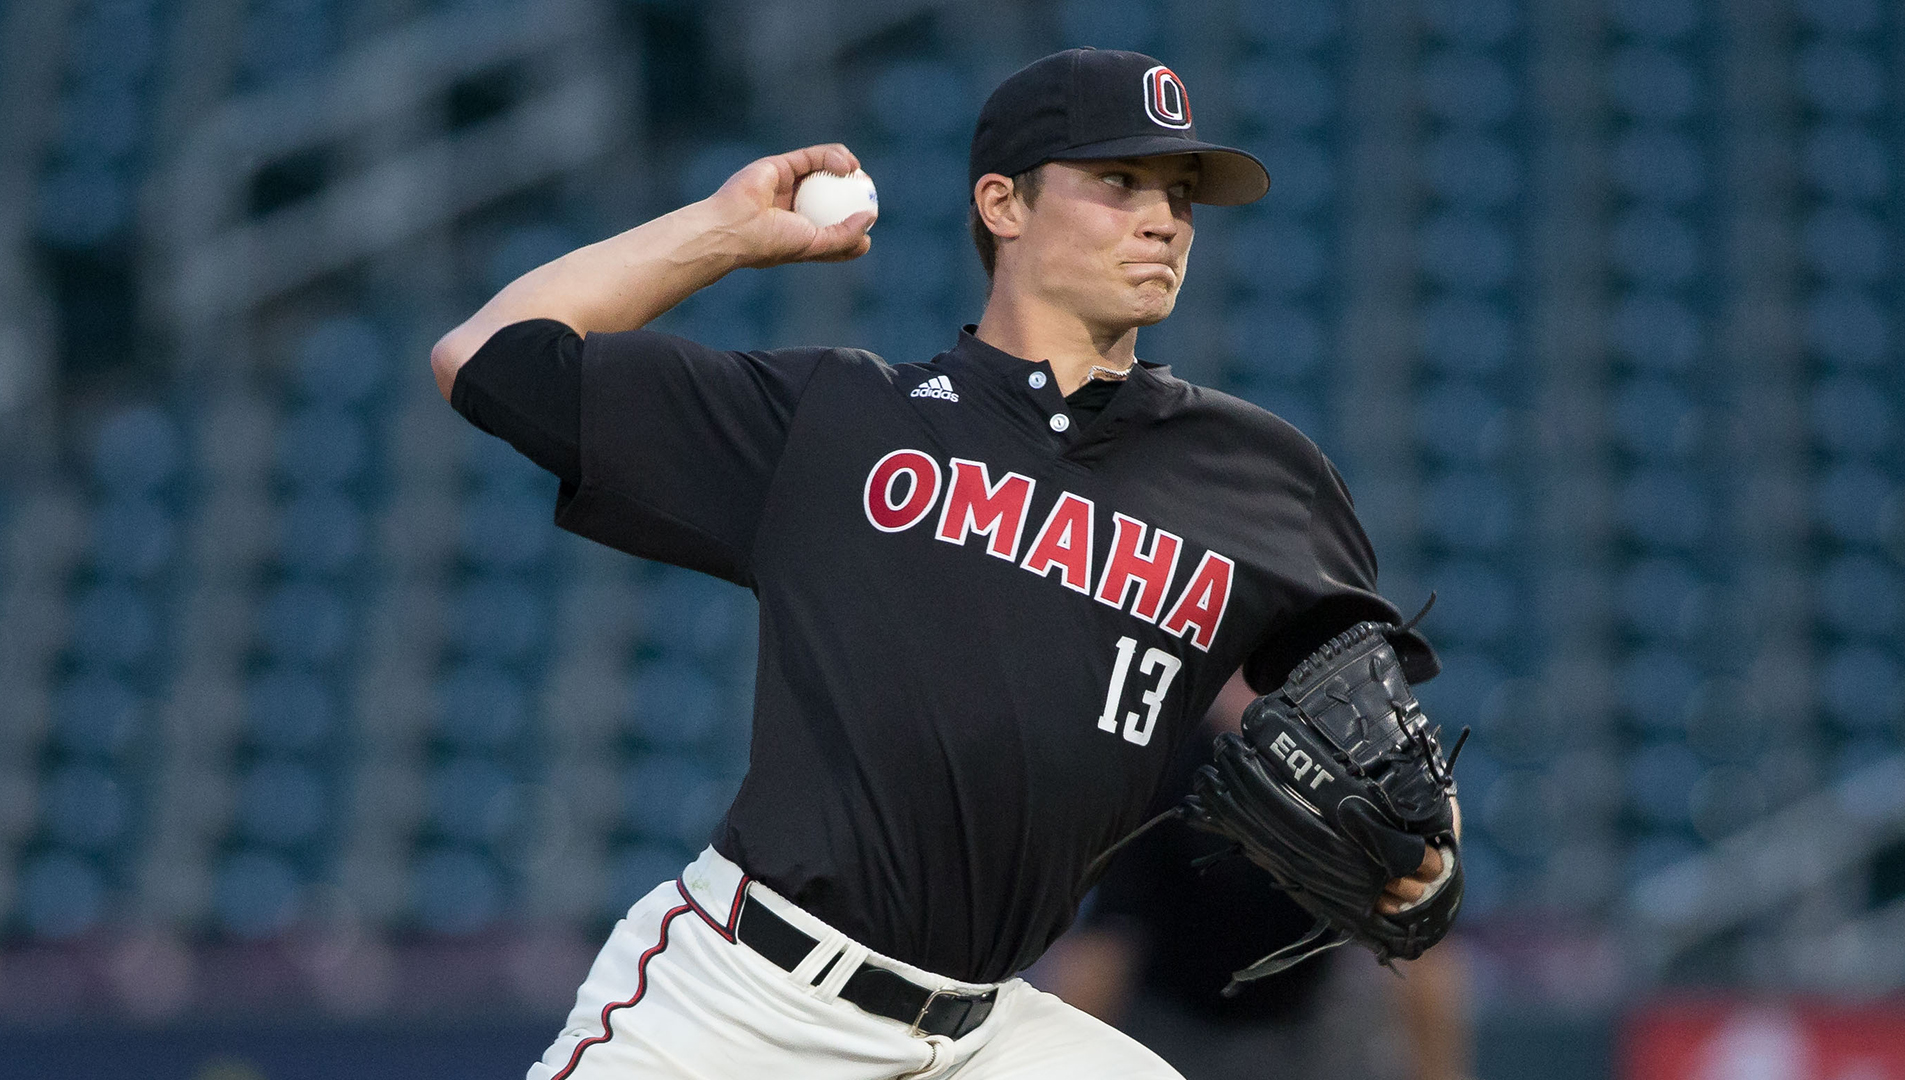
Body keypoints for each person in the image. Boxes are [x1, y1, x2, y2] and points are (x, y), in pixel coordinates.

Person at [430, 47, 1451, 1080]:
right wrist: (722, 234)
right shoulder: (838, 423)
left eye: (1181, 193)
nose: (1165, 219)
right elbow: (486, 353)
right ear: (1003, 203)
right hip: (746, 1005)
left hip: (985, 1033)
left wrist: (1423, 844)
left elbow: (1373, 732)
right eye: (1118, 182)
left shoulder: (1263, 478)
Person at [1043, 671, 1474, 1080]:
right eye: (1242, 681)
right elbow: (1104, 950)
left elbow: (1422, 944)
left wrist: (1441, 1073)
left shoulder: (1358, 777)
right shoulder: (1169, 773)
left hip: (1307, 1016)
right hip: (1171, 1020)